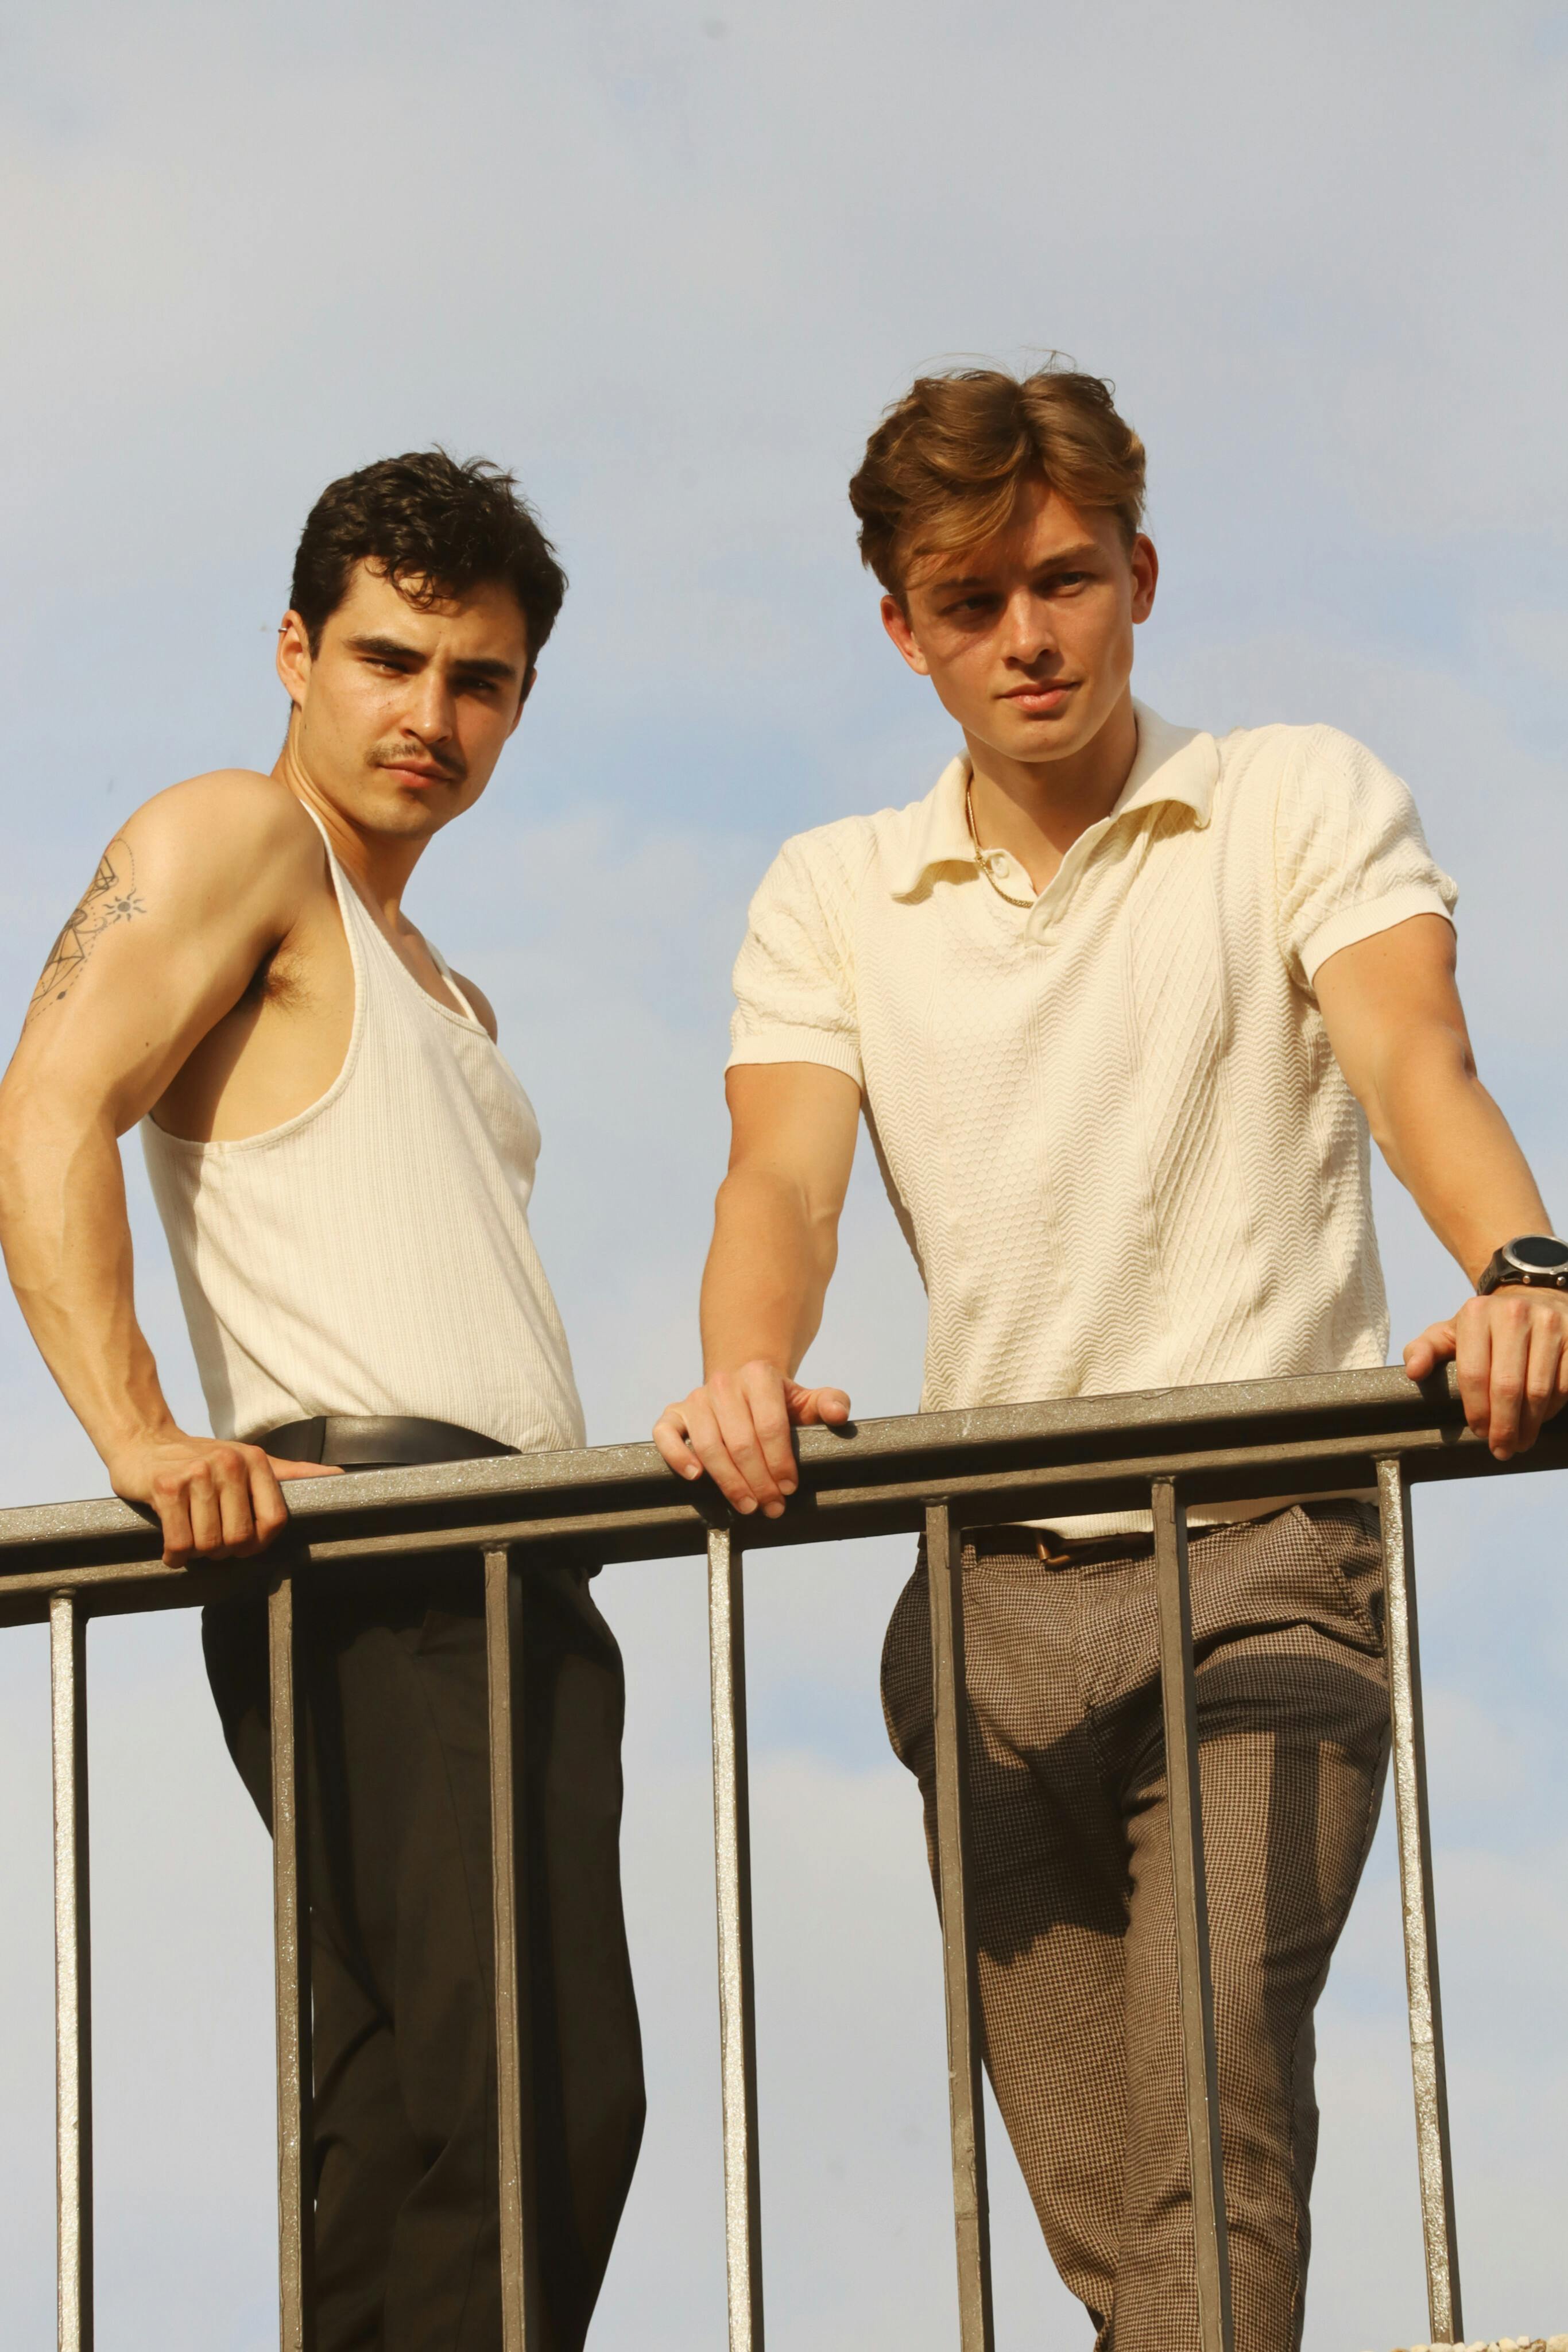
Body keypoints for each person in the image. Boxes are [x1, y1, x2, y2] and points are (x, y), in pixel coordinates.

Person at [652, 365, 1568, 2350]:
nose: (1027, 636)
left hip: (1263, 1569)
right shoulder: (831, 892)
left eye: (1063, 580)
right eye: (969, 602)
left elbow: (1415, 1059)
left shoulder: (1293, 796)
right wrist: (744, 1367)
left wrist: (1525, 1268)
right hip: (984, 1621)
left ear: (1139, 577)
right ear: (901, 629)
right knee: (1115, 2235)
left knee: (1210, 2134)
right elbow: (780, 1182)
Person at [0, 451, 644, 2351]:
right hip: (379, 1549)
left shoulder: (446, 986)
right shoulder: (236, 837)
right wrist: (137, 1435)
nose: (429, 714)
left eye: (479, 681)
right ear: (296, 652)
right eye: (387, 660)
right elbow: (48, 1108)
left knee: (406, 2114)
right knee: (533, 2099)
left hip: (503, 1565)